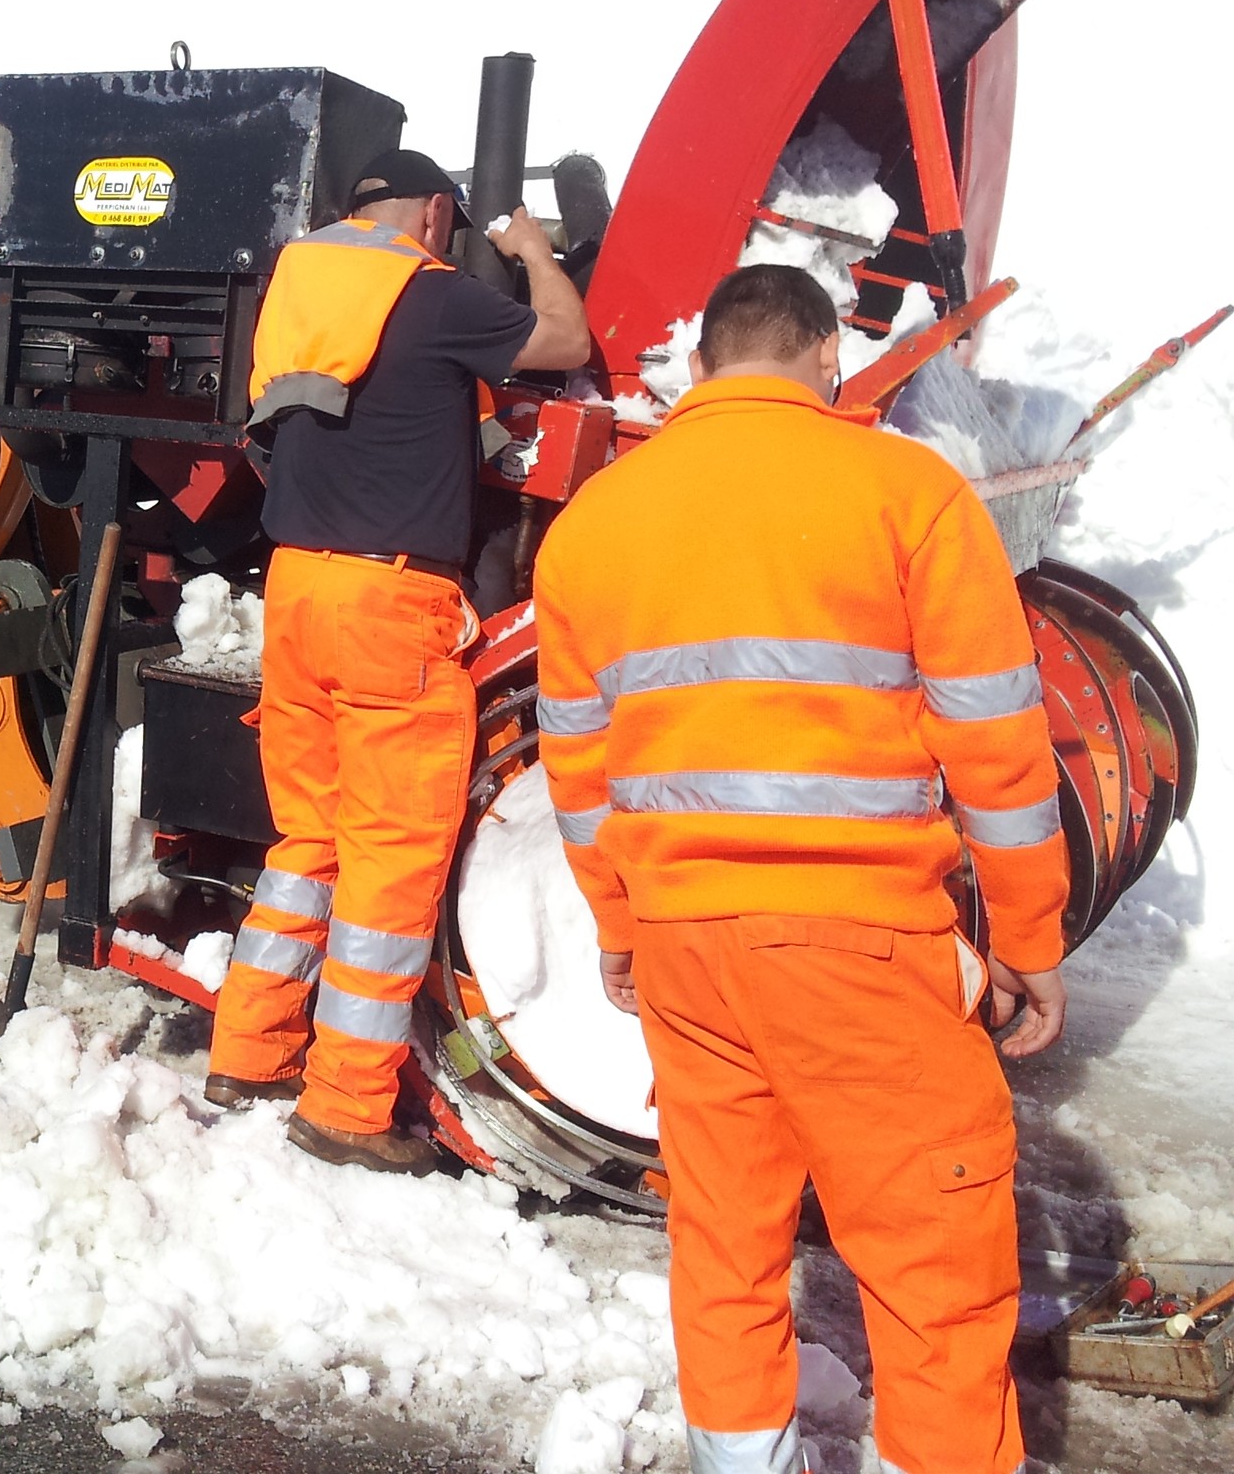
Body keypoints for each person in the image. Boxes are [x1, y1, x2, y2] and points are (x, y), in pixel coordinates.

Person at [532, 264, 1067, 1474]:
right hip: (863, 947)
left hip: (686, 952)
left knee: (723, 1246)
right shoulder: (909, 492)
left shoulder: (593, 527)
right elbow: (998, 748)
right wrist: (1029, 944)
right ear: (828, 358)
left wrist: (620, 926)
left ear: (705, 365)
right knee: (934, 1261)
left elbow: (580, 775)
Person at [206, 145, 591, 1172]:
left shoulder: (299, 287)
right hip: (390, 604)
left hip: (296, 588)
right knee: (390, 863)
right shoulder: (429, 296)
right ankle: (344, 1106)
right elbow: (564, 338)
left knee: (309, 842)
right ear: (431, 217)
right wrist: (532, 250)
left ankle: (247, 1051)